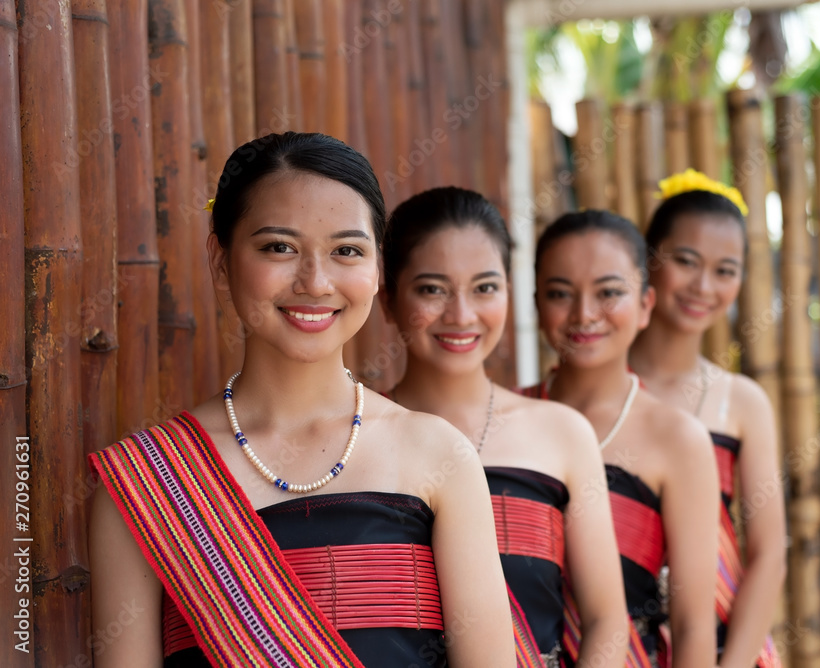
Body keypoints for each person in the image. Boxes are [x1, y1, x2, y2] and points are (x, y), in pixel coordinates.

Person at [88, 133, 515, 668]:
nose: (315, 281)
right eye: (279, 247)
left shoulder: (437, 454)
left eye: (346, 251)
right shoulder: (147, 482)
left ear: (377, 268)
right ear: (220, 261)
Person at [380, 187, 629, 668]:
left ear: (509, 296)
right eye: (432, 289)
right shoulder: (358, 437)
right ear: (388, 299)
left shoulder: (562, 434)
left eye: (485, 287)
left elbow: (606, 621)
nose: (461, 315)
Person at [528, 210, 719, 668]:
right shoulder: (509, 418)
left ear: (646, 304)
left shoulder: (678, 439)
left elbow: (693, 623)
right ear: (536, 304)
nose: (584, 314)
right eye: (560, 294)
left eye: (609, 293)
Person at [629, 169, 786, 668]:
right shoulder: (593, 392)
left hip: (723, 644)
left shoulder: (741, 402)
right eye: (686, 261)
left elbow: (768, 552)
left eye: (725, 270)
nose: (704, 285)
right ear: (648, 259)